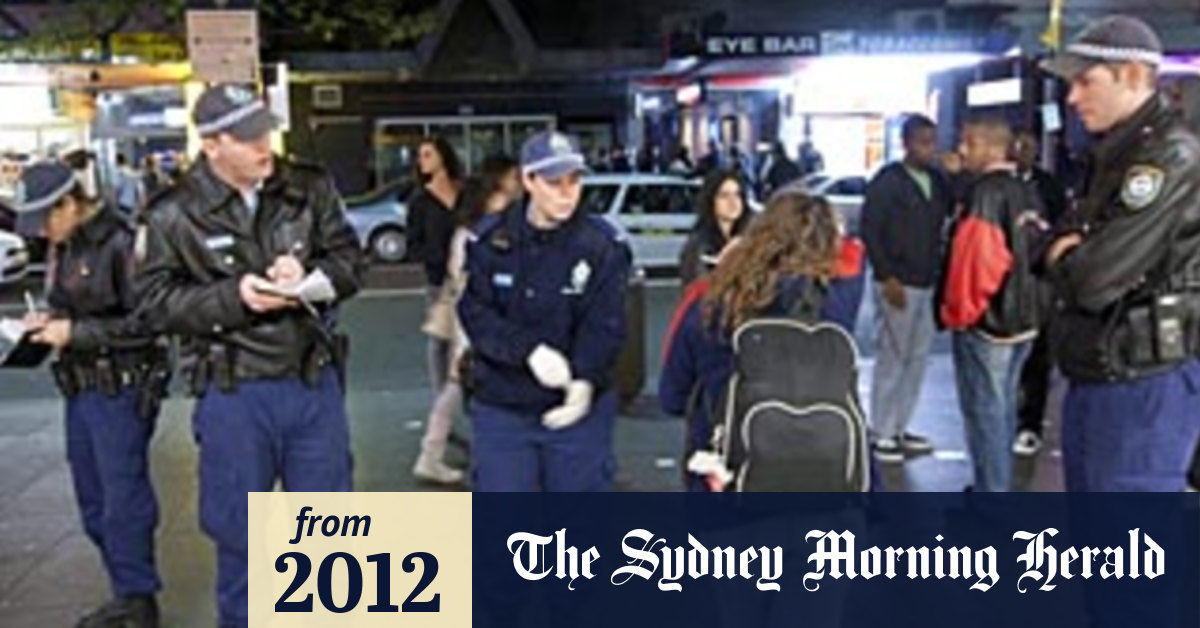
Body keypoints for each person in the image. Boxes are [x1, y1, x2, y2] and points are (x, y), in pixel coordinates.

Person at [135, 83, 364, 626]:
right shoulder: (173, 214)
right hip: (234, 393)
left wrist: (313, 276)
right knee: (241, 538)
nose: (265, 145)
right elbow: (153, 305)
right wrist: (233, 298)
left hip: (312, 383)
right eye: (247, 137)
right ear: (212, 144)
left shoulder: (308, 188)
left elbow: (351, 261)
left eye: (266, 131)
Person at [1041, 16, 1200, 492]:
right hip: (1102, 371)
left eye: (1085, 81)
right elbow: (1054, 241)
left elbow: (1094, 279)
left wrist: (1063, 257)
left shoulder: (1168, 157)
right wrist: (1062, 251)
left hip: (1142, 379)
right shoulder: (1114, 155)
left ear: (1131, 75)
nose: (1072, 97)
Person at [14, 162, 168, 628]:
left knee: (122, 498)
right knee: (94, 501)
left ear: (70, 204)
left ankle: (137, 597)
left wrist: (75, 332)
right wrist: (48, 323)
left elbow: (149, 322)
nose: (41, 232)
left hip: (120, 385)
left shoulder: (121, 242)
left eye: (46, 218)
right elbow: (71, 305)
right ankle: (127, 590)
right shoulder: (64, 248)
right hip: (81, 386)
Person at [458, 130, 630, 492]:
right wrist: (528, 351)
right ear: (529, 181)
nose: (567, 193)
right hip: (504, 406)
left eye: (574, 181)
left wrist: (584, 380)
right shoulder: (491, 240)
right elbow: (476, 313)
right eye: (554, 183)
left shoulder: (602, 246)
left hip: (578, 411)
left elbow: (606, 322)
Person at [659, 192, 865, 491]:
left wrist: (729, 268)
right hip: (828, 473)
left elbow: (672, 398)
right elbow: (855, 257)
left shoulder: (712, 303)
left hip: (729, 477)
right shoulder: (837, 304)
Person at [938, 117, 1047, 492]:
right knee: (1004, 410)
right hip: (1025, 318)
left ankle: (991, 498)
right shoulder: (1027, 190)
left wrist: (958, 315)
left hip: (988, 321)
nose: (961, 150)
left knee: (985, 413)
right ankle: (996, 489)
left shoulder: (984, 194)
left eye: (967, 142)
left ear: (987, 146)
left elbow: (977, 265)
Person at [413, 155, 520, 484]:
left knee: (462, 384)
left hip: (475, 315)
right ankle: (434, 454)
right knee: (463, 383)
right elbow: (463, 276)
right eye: (513, 178)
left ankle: (436, 454)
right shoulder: (480, 231)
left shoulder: (473, 228)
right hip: (476, 316)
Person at [860, 114, 953, 463]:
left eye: (933, 141)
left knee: (917, 357)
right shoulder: (887, 181)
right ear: (906, 143)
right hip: (897, 281)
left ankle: (900, 426)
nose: (931, 149)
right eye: (923, 142)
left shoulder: (937, 181)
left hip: (928, 279)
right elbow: (871, 229)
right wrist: (886, 275)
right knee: (893, 355)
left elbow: (954, 208)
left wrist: (955, 172)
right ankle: (882, 431)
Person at [1011, 131, 1070, 456]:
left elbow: (1062, 224)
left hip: (1039, 282)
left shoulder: (1048, 185)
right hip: (1007, 281)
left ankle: (1029, 424)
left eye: (1029, 148)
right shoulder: (998, 185)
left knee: (1038, 356)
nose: (1023, 152)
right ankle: (1007, 418)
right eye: (1018, 146)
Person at [405, 137, 463, 404]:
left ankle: (473, 392)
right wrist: (436, 258)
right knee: (440, 338)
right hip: (439, 279)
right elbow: (413, 243)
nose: (422, 161)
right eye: (420, 156)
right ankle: (440, 396)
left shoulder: (463, 192)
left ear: (443, 155)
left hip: (471, 274)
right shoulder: (420, 200)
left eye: (428, 154)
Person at [678, 169, 753, 287]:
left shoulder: (746, 237)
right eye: (724, 196)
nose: (733, 202)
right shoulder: (699, 244)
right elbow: (697, 289)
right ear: (711, 200)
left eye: (737, 195)